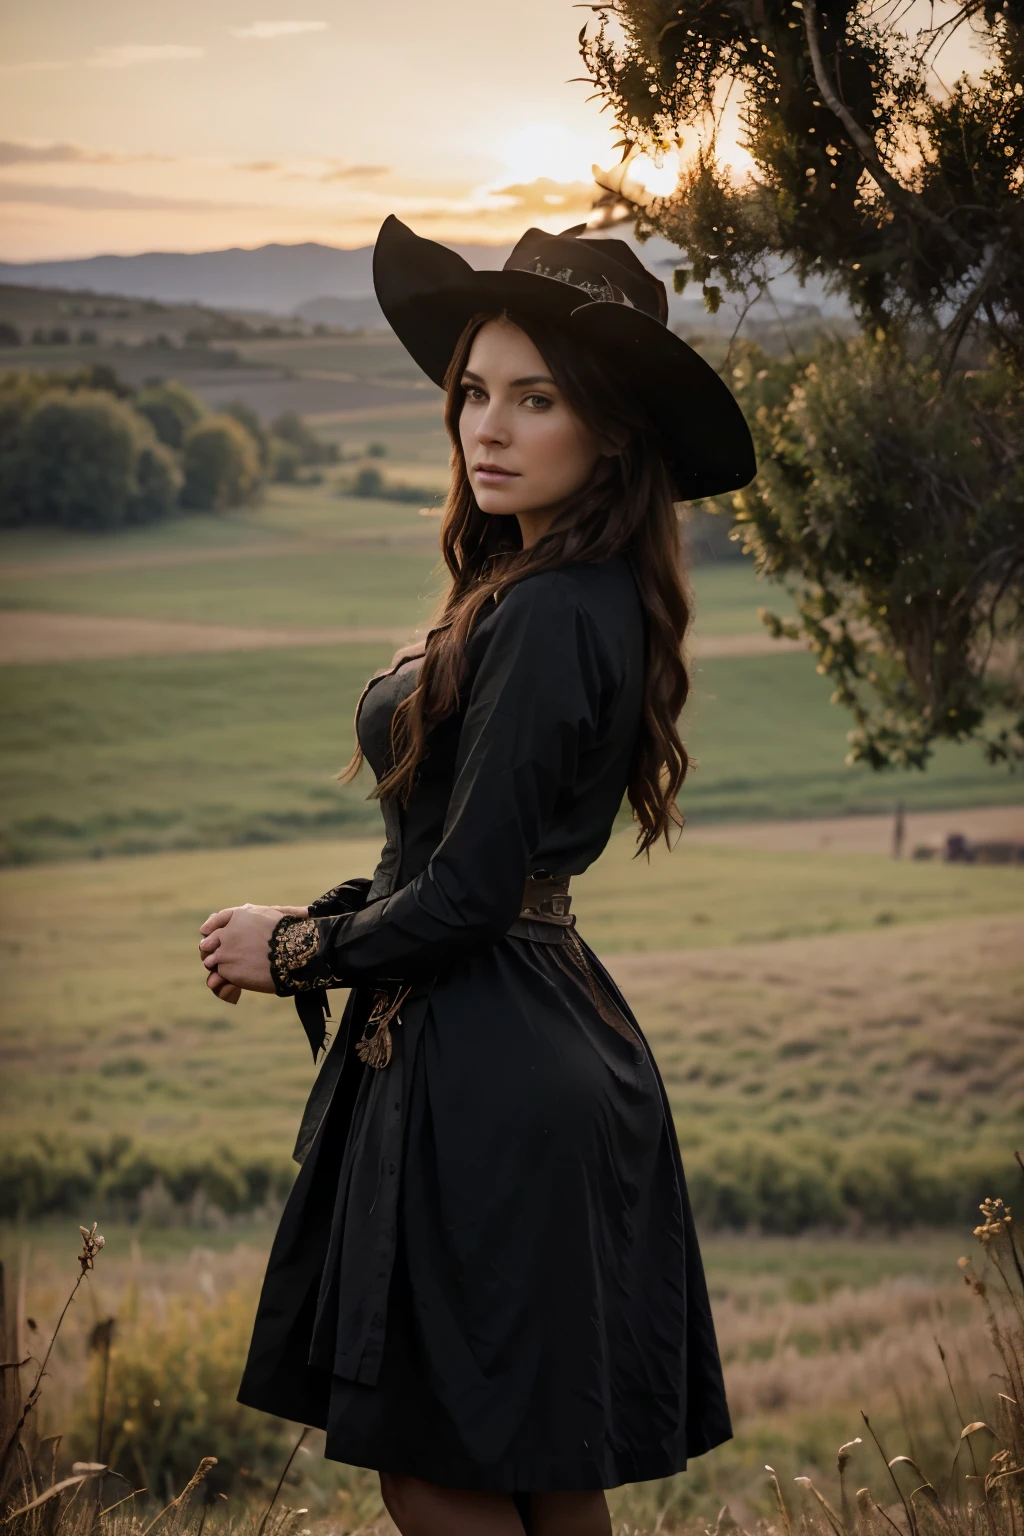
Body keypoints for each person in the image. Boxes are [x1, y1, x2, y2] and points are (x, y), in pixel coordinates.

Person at [198, 215, 756, 1536]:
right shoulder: (553, 589)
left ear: (610, 430)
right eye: (473, 395)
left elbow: (462, 899)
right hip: (514, 1045)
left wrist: (292, 947)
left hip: (490, 1082)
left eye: (536, 399)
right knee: (540, 1461)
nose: (486, 429)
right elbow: (459, 866)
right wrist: (329, 918)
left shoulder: (554, 612)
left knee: (439, 1463)